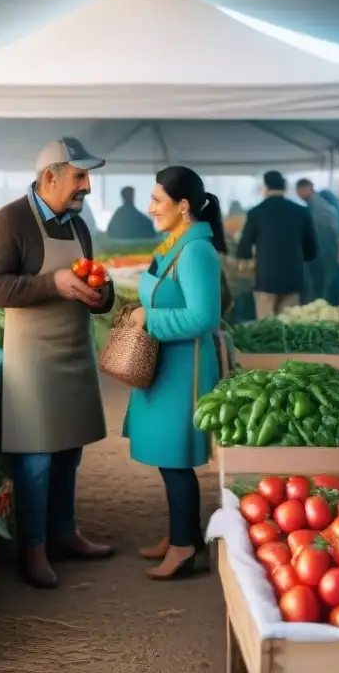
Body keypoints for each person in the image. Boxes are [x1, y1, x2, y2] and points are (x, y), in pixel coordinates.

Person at [0, 137, 115, 589]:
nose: (87, 187)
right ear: (51, 176)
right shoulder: (9, 220)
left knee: (69, 451)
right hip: (33, 359)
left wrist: (102, 295)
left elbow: (92, 279)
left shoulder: (78, 223)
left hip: (74, 349)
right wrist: (52, 283)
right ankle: (32, 548)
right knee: (35, 457)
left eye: (88, 176)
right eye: (80, 176)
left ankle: (64, 533)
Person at [124, 166, 225, 579]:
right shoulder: (175, 244)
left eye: (158, 201)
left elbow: (204, 316)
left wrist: (150, 319)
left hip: (183, 369)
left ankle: (185, 547)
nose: (150, 209)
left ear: (183, 206)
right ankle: (180, 534)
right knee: (168, 459)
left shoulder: (197, 251)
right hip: (164, 365)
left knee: (176, 459)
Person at [236, 171, 317, 319]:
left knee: (266, 331)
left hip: (266, 280)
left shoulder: (256, 213)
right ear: (285, 187)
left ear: (266, 187)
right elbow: (311, 251)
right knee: (289, 326)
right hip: (293, 280)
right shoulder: (301, 212)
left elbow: (243, 250)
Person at [296, 179, 339, 302]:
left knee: (320, 288)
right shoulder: (313, 205)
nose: (298, 194)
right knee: (321, 286)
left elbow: (329, 229)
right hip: (321, 251)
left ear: (309, 188)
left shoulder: (318, 207)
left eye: (300, 190)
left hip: (323, 252)